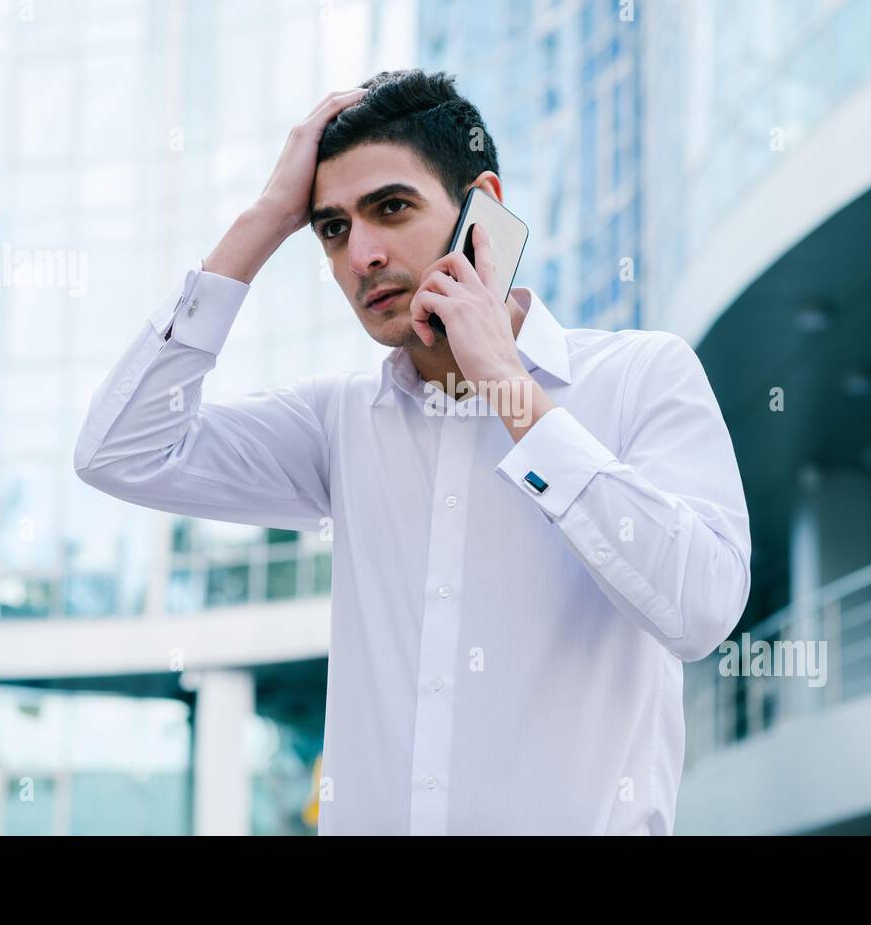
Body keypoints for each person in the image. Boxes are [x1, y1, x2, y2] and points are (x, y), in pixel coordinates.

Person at [74, 69, 751, 835]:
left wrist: (508, 386)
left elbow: (701, 612)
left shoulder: (641, 376)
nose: (361, 254)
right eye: (332, 229)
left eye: (390, 208)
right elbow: (120, 450)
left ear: (481, 213)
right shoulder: (338, 423)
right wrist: (266, 218)